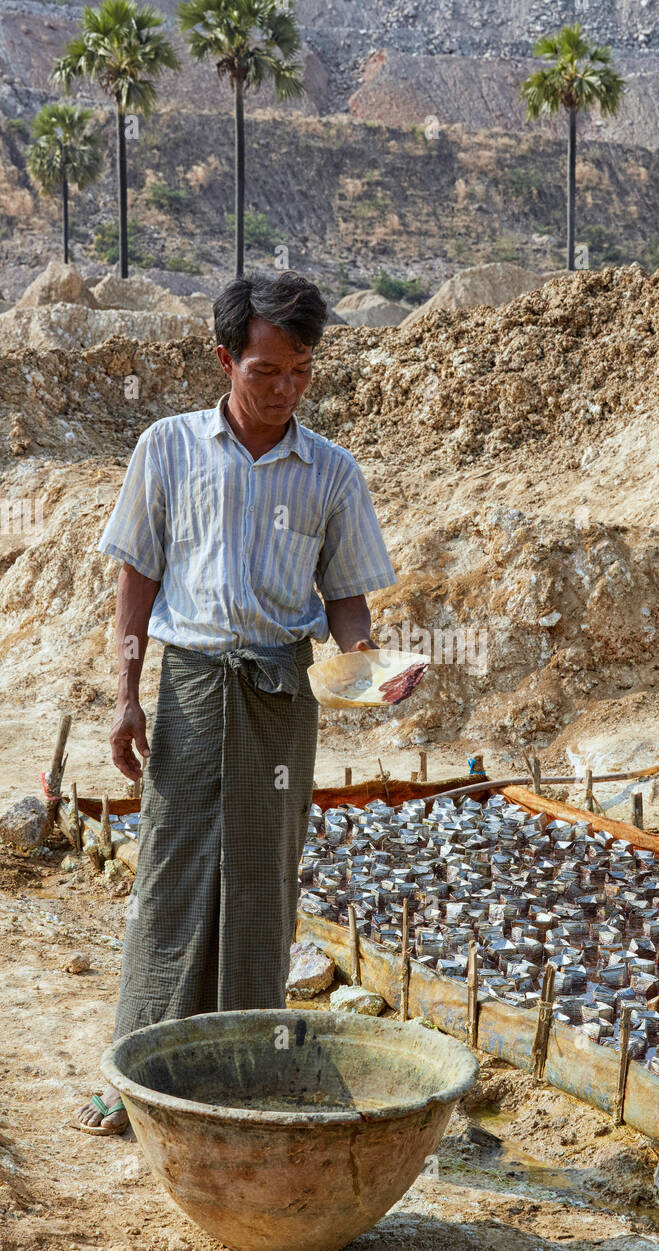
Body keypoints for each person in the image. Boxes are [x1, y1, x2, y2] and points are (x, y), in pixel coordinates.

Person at [75, 271, 396, 1134]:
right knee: (172, 877)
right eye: (266, 371)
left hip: (283, 693)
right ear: (226, 360)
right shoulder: (169, 449)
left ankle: (237, 1075)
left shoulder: (330, 471)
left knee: (262, 884)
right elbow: (137, 576)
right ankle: (135, 1076)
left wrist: (366, 659)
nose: (284, 389)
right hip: (190, 685)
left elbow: (347, 598)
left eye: (300, 371)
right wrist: (125, 697)